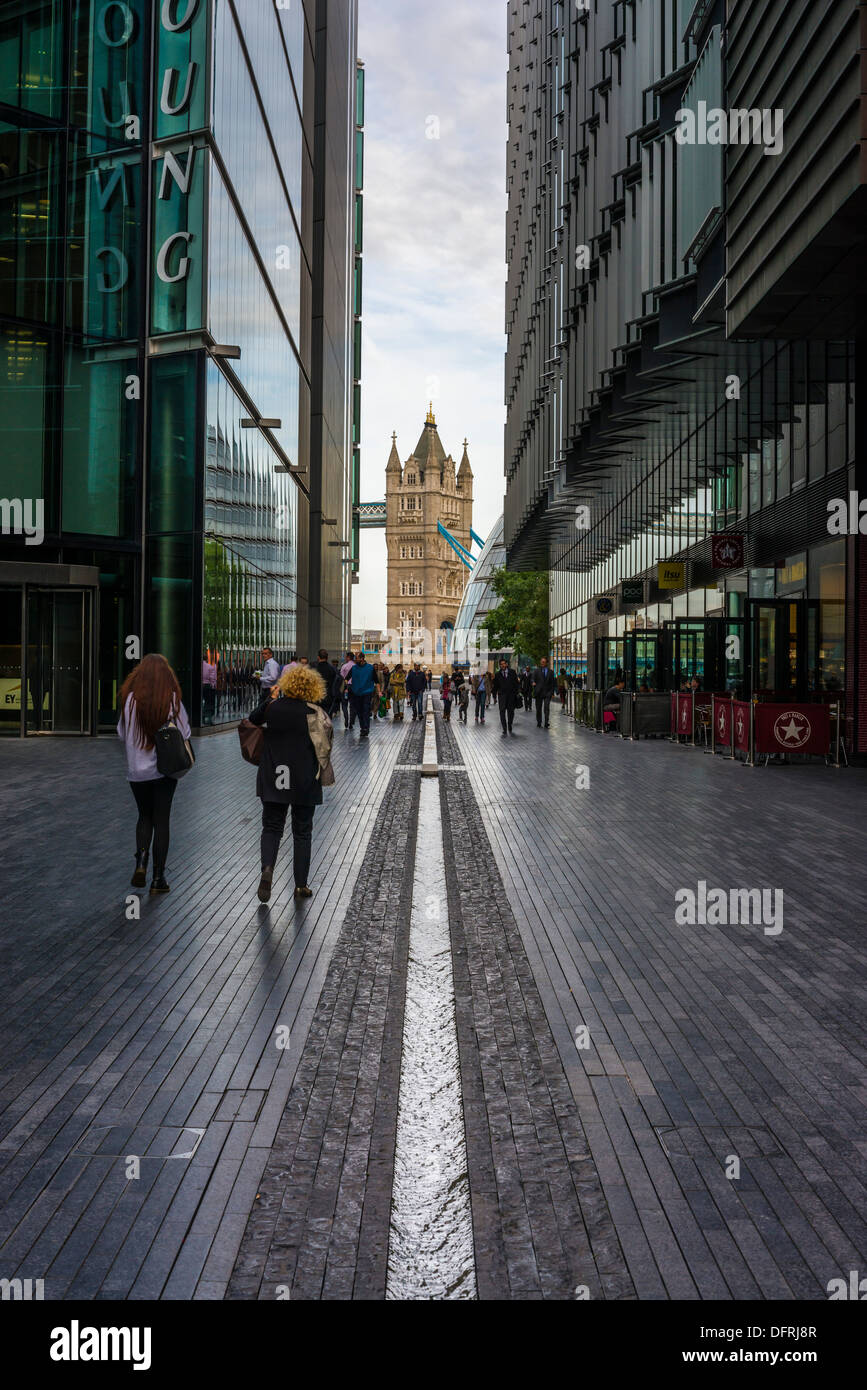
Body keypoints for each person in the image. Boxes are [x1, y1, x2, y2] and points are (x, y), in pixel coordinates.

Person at [249, 664, 333, 902]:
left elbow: (253, 719)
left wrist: (270, 697)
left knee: (272, 827)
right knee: (302, 832)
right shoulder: (314, 711)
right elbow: (325, 746)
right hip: (304, 778)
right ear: (313, 687)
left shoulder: (273, 708)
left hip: (275, 775)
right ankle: (300, 886)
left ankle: (267, 869)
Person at [117, 653, 191, 896]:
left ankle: (141, 863)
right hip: (163, 771)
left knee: (144, 817)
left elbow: (121, 732)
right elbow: (185, 732)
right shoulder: (171, 700)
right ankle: (158, 879)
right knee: (162, 821)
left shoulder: (129, 700)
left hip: (136, 772)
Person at [347, 651, 378, 738]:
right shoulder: (353, 668)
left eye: (356, 658)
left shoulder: (370, 668)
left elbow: (376, 681)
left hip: (367, 693)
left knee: (365, 711)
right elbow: (347, 678)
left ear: (362, 658)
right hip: (356, 693)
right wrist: (345, 687)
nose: (355, 659)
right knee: (359, 712)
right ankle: (362, 728)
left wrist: (379, 692)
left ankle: (366, 729)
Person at [492, 658, 520, 736]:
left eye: (504, 663)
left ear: (506, 664)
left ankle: (510, 725)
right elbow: (495, 687)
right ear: (500, 665)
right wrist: (494, 696)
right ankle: (504, 728)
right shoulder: (497, 674)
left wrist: (517, 692)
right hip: (502, 697)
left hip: (511, 696)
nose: (503, 665)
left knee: (511, 712)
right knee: (502, 712)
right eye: (501, 664)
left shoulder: (512, 672)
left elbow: (517, 684)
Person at [533, 656, 557, 728]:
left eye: (544, 662)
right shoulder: (536, 671)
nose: (542, 663)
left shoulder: (551, 672)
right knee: (538, 708)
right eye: (541, 661)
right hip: (539, 692)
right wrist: (533, 682)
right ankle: (539, 722)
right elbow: (532, 679)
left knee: (546, 708)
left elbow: (553, 683)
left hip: (547, 693)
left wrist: (552, 693)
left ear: (547, 663)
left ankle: (546, 722)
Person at [314, 648, 336, 714]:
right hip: (328, 696)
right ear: (327, 657)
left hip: (317, 696)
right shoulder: (332, 668)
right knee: (327, 717)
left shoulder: (314, 668)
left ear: (318, 657)